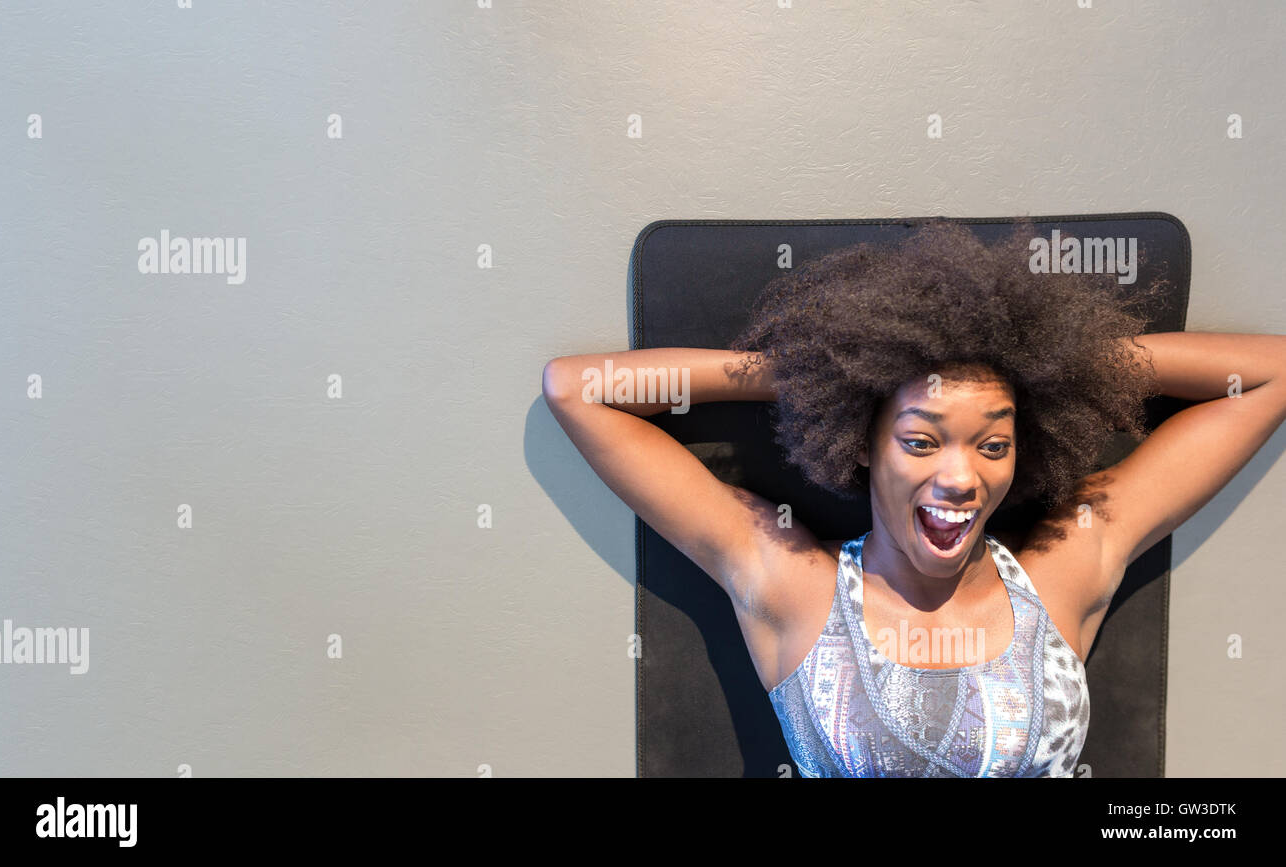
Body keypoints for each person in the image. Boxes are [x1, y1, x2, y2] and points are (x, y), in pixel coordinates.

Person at [540, 220, 1286, 776]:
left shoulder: (1067, 569)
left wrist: (1057, 366)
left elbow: (1270, 375)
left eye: (993, 443)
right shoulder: (793, 586)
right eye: (922, 441)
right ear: (865, 443)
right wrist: (804, 372)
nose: (961, 478)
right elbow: (578, 393)